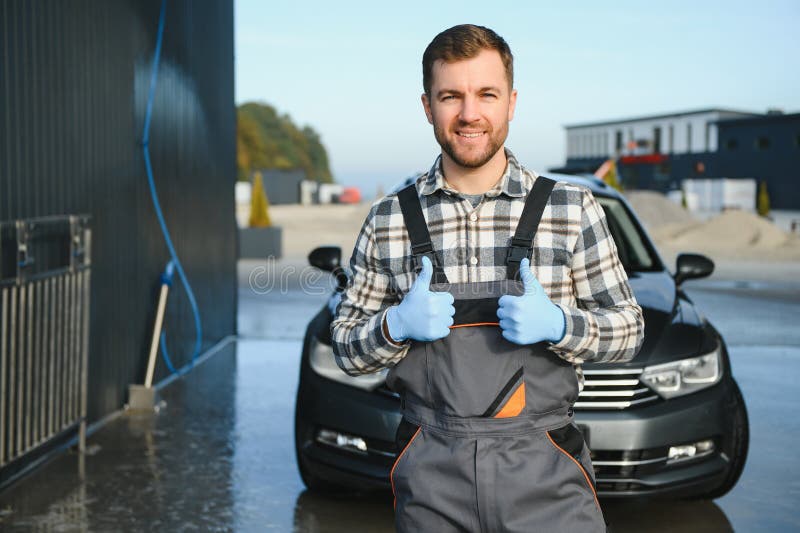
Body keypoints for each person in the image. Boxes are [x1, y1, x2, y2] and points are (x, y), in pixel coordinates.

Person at [331, 24, 644, 532]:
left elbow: (629, 331)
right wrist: (394, 326)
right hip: (433, 480)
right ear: (428, 106)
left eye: (486, 94)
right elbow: (346, 349)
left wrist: (562, 326)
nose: (469, 113)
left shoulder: (569, 208)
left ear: (511, 102)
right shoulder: (388, 219)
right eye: (450, 95)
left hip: (546, 480)